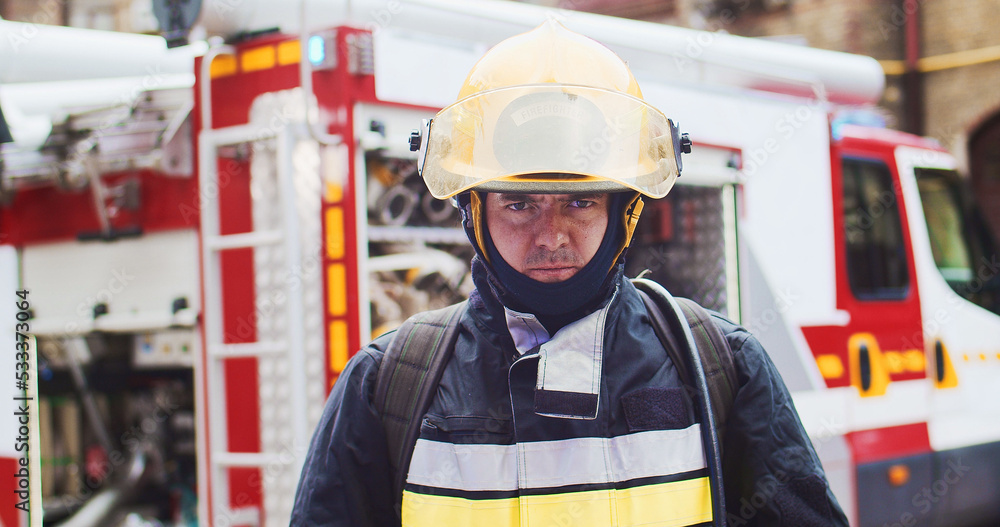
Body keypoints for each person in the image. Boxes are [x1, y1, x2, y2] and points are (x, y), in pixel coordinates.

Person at [292, 20, 848, 527]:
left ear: (623, 211)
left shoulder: (723, 368)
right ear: (472, 211)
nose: (551, 236)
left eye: (580, 205)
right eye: (519, 205)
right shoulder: (386, 386)